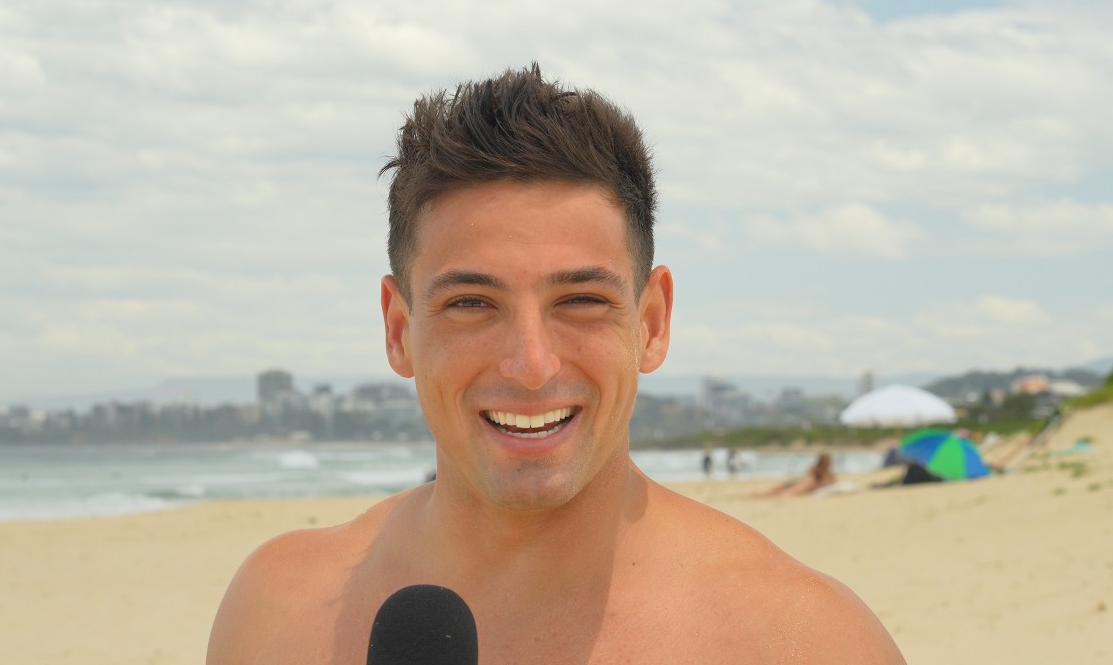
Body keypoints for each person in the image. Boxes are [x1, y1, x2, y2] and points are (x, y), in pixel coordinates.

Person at [207, 64, 904, 664]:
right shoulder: (279, 614)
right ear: (399, 331)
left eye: (580, 300)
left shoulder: (800, 641)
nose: (531, 366)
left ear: (652, 324)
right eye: (473, 304)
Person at [755, 452, 838, 497]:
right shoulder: (818, 470)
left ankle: (761, 494)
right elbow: (812, 481)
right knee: (780, 490)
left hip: (800, 482)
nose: (830, 463)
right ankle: (760, 494)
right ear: (825, 462)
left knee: (780, 490)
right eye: (829, 462)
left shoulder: (822, 471)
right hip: (801, 484)